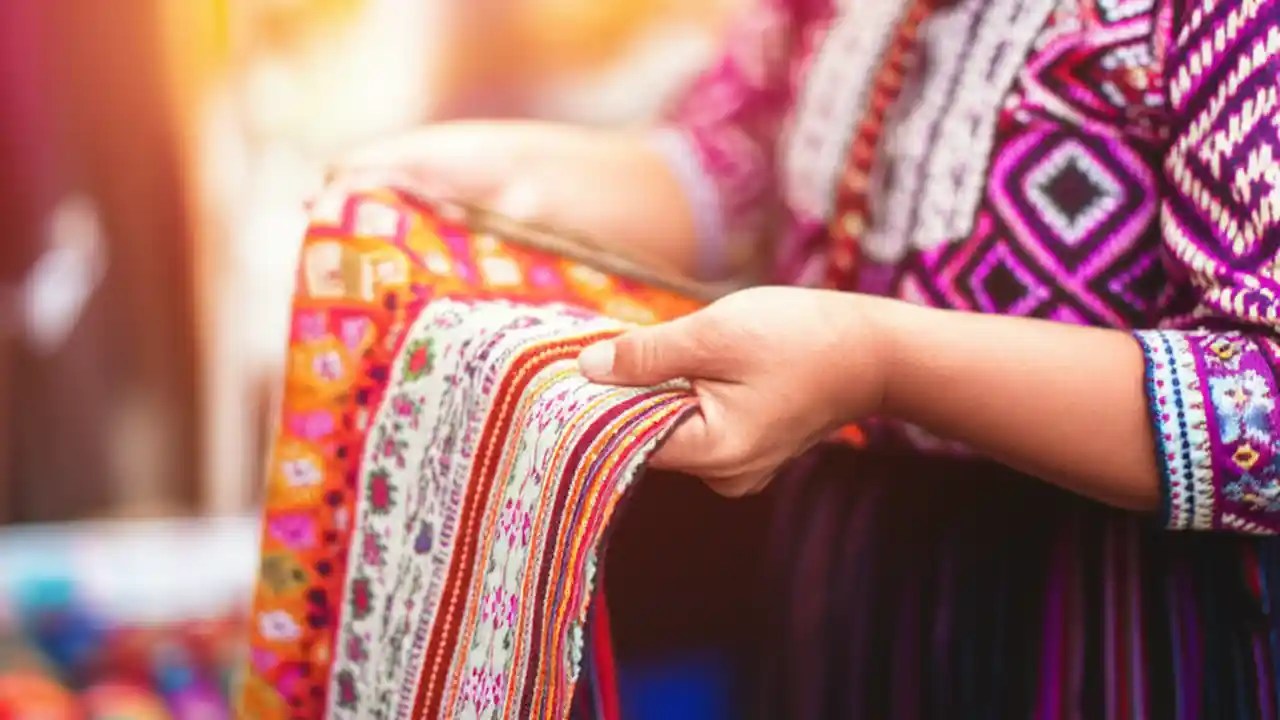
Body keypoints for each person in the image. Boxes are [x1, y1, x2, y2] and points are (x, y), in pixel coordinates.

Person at [335, 0, 1280, 714]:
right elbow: (743, 164)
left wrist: (878, 364)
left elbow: (1265, 410)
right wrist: (512, 183)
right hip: (842, 582)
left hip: (1105, 620)